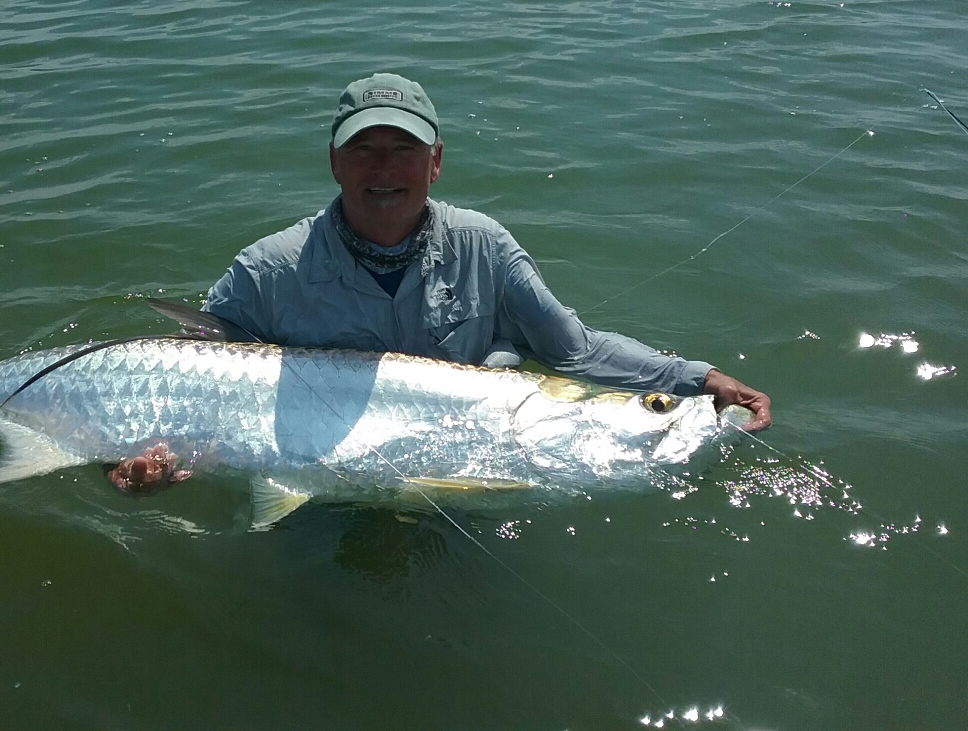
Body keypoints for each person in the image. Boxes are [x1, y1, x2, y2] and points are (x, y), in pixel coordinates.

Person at [112, 73, 770, 492]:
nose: (384, 169)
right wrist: (167, 457)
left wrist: (699, 380)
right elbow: (200, 377)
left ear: (435, 162)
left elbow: (577, 352)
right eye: (364, 149)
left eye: (403, 150)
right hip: (313, 493)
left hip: (465, 481)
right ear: (335, 161)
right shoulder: (268, 269)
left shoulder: (486, 247)